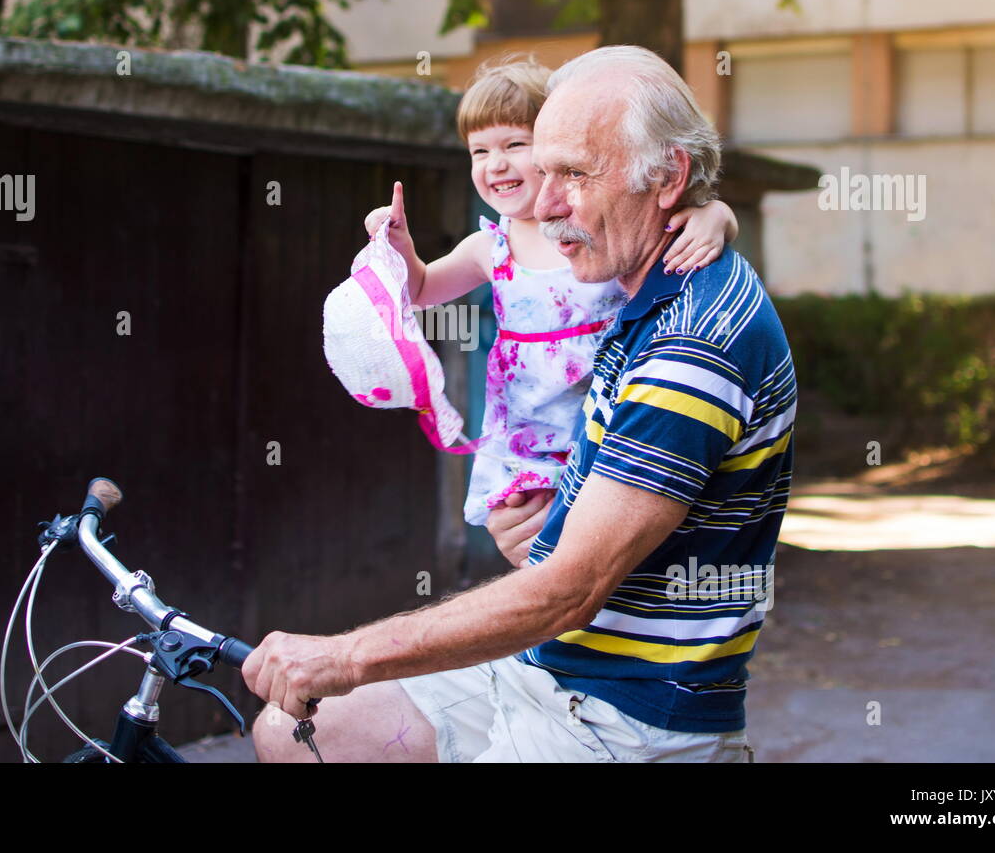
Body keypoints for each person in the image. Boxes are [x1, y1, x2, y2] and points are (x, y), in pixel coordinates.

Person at [244, 45, 797, 763]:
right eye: (547, 167)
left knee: (331, 699)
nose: (541, 203)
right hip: (546, 663)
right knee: (294, 732)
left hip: (618, 714)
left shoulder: (693, 344)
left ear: (667, 178)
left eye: (572, 173)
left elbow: (567, 588)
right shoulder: (636, 285)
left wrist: (346, 655)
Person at [363, 56, 737, 529]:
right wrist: (398, 242)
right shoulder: (489, 248)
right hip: (529, 438)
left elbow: (683, 208)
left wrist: (716, 214)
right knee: (537, 545)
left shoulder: (600, 230)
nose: (496, 164)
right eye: (479, 151)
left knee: (605, 537)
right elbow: (419, 288)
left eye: (515, 144)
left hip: (605, 427)